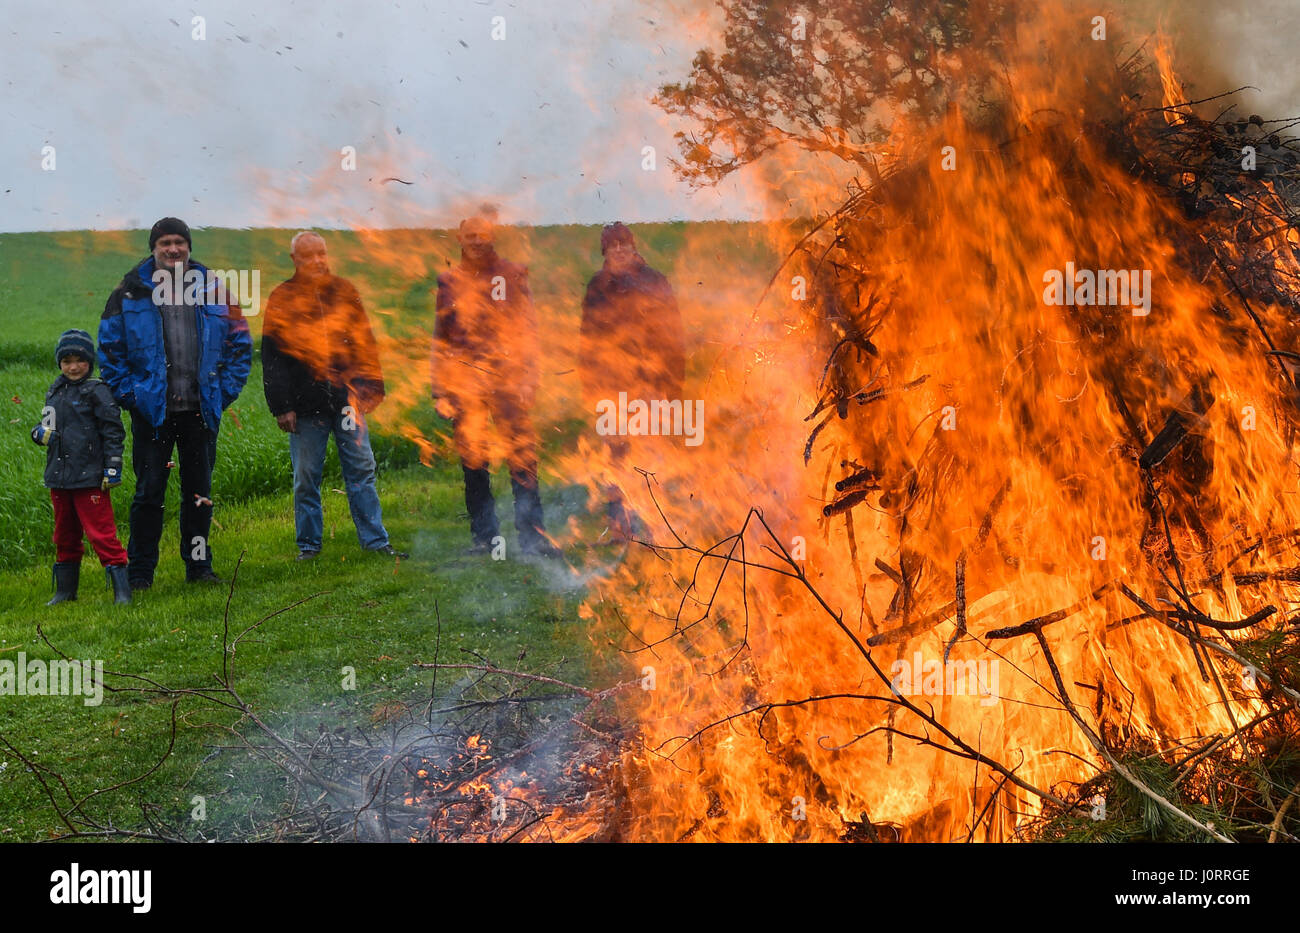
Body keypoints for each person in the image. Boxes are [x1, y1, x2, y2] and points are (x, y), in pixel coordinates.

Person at [98, 217, 252, 588]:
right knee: (148, 495)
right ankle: (140, 574)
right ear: (153, 248)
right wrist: (132, 397)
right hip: (153, 413)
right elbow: (110, 349)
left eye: (179, 242)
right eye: (164, 242)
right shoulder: (129, 291)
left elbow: (240, 344)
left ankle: (199, 568)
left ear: (188, 247)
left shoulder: (214, 288)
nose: (172, 249)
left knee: (199, 495)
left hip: (200, 411)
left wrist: (222, 392)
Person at [261, 231, 408, 561]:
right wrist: (281, 406)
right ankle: (309, 547)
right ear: (294, 260)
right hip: (305, 407)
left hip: (347, 402)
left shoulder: (345, 291)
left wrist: (373, 387)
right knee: (306, 479)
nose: (316, 261)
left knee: (361, 471)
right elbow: (272, 358)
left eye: (321, 253)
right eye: (308, 255)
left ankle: (375, 542)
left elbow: (365, 343)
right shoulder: (282, 297)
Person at [430, 215, 559, 557]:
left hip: (509, 381)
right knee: (474, 465)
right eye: (470, 235)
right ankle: (484, 538)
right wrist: (440, 390)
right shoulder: (449, 281)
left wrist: (531, 378)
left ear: (492, 237)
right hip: (465, 386)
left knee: (523, 461)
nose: (476, 240)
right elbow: (440, 339)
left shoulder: (512, 274)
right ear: (460, 238)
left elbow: (528, 329)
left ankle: (532, 537)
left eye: (482, 235)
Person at [578, 222, 686, 537]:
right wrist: (591, 386)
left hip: (651, 384)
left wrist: (669, 388)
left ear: (634, 246)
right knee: (615, 456)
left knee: (651, 454)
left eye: (625, 244)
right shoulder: (597, 287)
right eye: (613, 245)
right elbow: (588, 338)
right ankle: (619, 525)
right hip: (611, 385)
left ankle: (655, 524)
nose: (620, 250)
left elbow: (672, 336)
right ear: (605, 251)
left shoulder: (655, 281)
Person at [31, 329, 132, 605]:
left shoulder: (98, 391)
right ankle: (65, 591)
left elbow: (114, 433)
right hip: (59, 477)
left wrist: (113, 467)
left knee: (102, 533)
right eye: (66, 361)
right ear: (59, 363)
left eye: (80, 360)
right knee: (64, 535)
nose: (73, 367)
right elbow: (47, 425)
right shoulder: (55, 389)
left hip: (90, 478)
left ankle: (122, 591)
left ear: (90, 361)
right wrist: (38, 433)